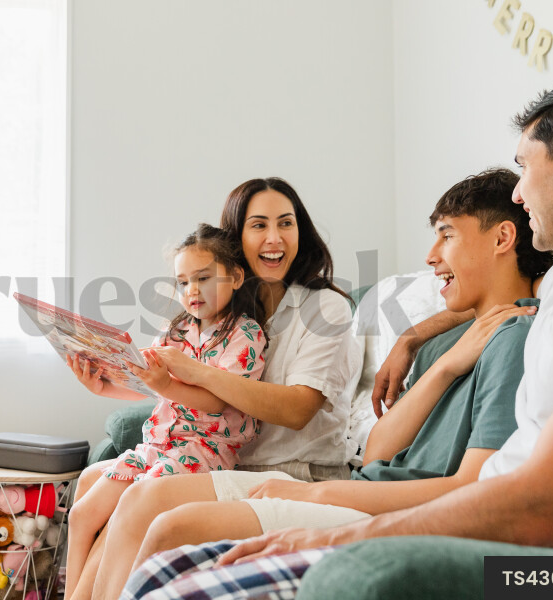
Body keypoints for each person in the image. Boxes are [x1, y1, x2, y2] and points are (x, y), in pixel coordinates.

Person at [121, 70, 553, 600]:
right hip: (465, 512)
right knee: (160, 571)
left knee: (187, 579)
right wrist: (416, 338)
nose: (518, 192)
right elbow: (514, 295)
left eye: (524, 166)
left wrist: (340, 533)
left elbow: (536, 511)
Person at [121, 167, 553, 575]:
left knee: (165, 525)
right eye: (258, 225)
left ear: (503, 238)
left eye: (445, 235)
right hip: (364, 482)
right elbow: (377, 454)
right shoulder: (439, 345)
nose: (430, 256)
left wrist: (315, 492)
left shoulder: (515, 338)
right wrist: (434, 359)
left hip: (349, 493)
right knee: (122, 502)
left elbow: (474, 486)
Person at [75, 177, 362, 600]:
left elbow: (299, 409)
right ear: (236, 242)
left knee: (137, 502)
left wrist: (197, 373)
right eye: (259, 225)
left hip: (295, 471)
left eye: (286, 223)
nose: (275, 238)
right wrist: (111, 384)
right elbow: (172, 391)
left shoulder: (324, 308)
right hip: (230, 467)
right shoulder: (214, 312)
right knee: (93, 484)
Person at [64, 224, 268, 599]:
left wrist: (166, 385)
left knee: (122, 515)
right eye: (183, 282)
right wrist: (103, 386)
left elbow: (218, 401)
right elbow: (149, 387)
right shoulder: (176, 331)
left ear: (236, 277)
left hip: (200, 454)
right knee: (81, 515)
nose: (192, 290)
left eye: (203, 278)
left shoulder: (245, 334)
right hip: (155, 447)